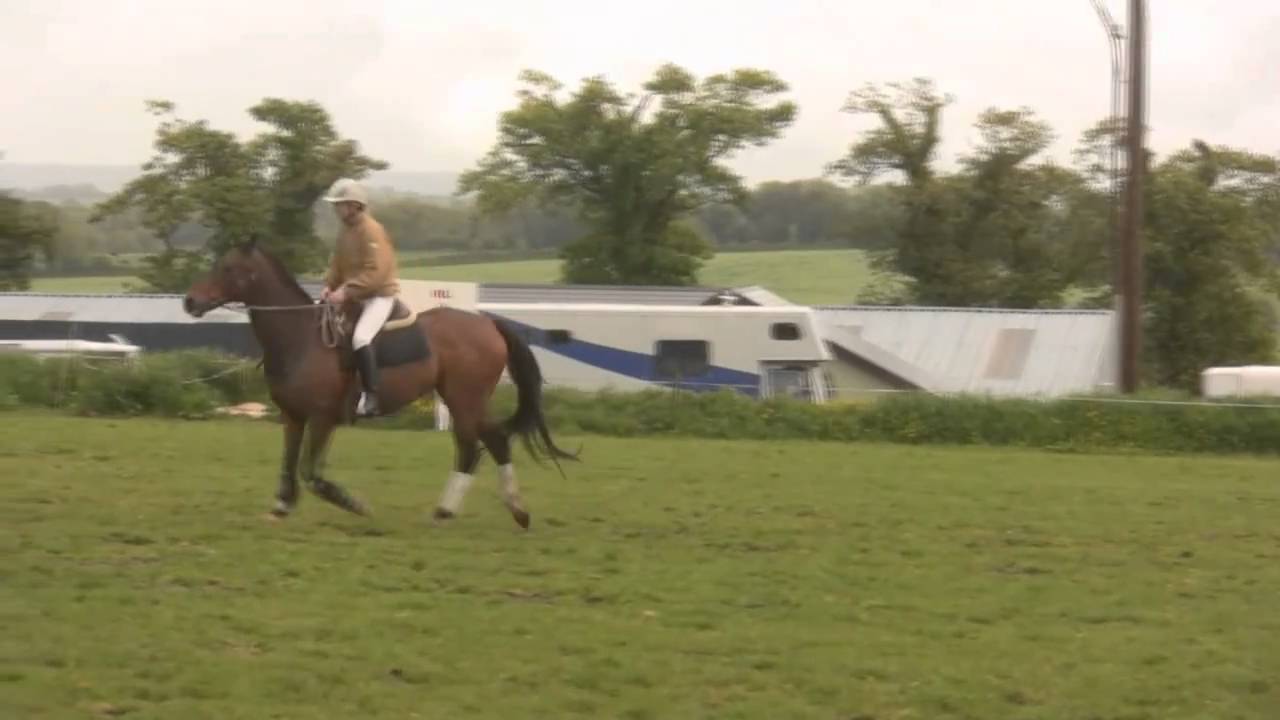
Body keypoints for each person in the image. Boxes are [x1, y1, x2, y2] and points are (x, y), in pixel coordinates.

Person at [321, 177, 400, 417]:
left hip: (378, 296)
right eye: (335, 204)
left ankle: (371, 397)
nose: (336, 209)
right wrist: (330, 285)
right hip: (354, 296)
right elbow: (337, 262)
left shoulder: (372, 230)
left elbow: (376, 272)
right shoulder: (345, 230)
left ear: (354, 205)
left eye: (340, 204)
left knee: (360, 338)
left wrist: (346, 291)